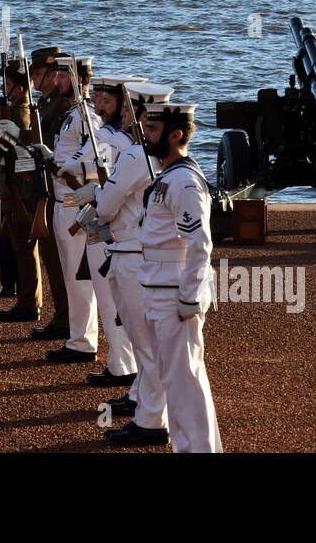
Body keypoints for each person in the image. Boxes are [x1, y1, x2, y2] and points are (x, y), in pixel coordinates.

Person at [106, 101, 222, 451]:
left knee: (184, 382)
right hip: (158, 288)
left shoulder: (183, 182)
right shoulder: (168, 177)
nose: (146, 136)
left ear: (177, 135)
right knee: (175, 380)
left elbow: (200, 245)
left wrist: (188, 298)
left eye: (154, 130)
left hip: (174, 295)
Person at [77, 81, 171, 434]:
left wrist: (96, 191)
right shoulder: (162, 157)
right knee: (145, 339)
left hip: (131, 252)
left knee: (143, 341)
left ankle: (150, 419)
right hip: (146, 250)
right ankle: (140, 397)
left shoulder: (135, 155)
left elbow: (106, 206)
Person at [62, 75, 141, 387]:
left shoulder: (115, 141)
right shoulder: (117, 139)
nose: (99, 106)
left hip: (113, 231)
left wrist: (93, 192)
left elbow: (84, 171)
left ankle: (122, 366)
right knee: (114, 303)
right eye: (97, 98)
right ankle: (122, 363)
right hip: (114, 229)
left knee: (112, 302)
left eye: (107, 101)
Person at [0, 52, 45, 321]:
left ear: (19, 87)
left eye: (7, 84)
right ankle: (28, 300)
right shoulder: (23, 109)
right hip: (15, 186)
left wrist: (0, 135)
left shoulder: (21, 112)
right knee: (21, 246)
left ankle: (29, 304)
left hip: (20, 189)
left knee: (24, 246)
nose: (2, 89)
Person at [44, 56, 101, 364]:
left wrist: (60, 163)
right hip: (61, 202)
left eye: (63, 76)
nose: (58, 81)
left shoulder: (85, 115)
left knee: (80, 279)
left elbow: (94, 151)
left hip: (75, 204)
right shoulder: (71, 114)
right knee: (71, 276)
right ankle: (78, 337)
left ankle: (83, 342)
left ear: (79, 80)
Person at [26, 46, 72, 342]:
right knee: (52, 258)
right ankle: (63, 316)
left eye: (38, 74)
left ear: (53, 75)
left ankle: (68, 319)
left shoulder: (59, 107)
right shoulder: (46, 104)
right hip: (46, 186)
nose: (32, 80)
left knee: (59, 259)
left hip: (58, 189)